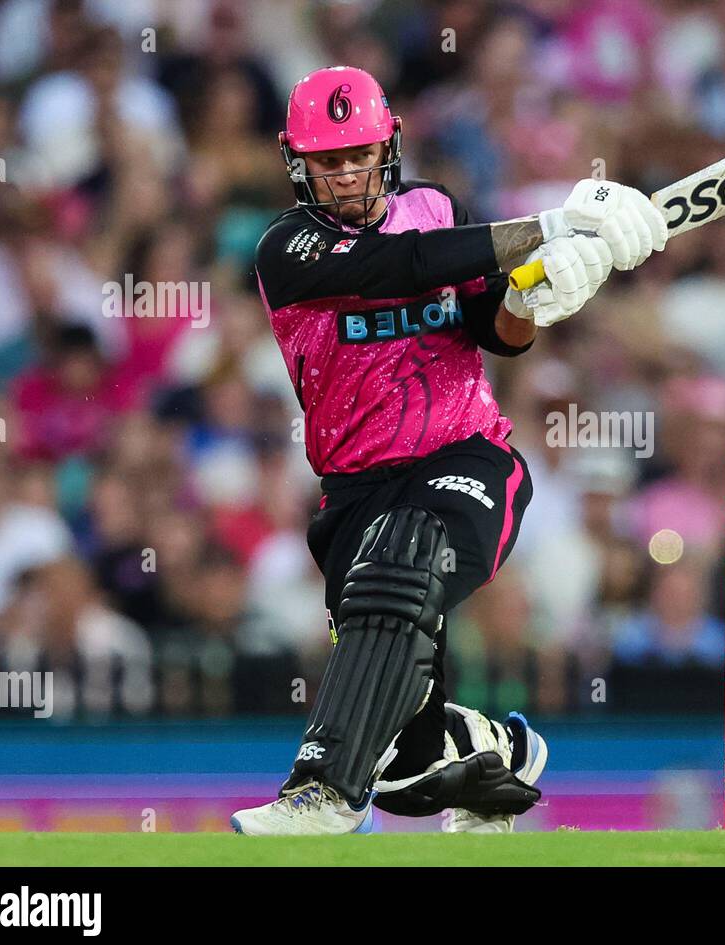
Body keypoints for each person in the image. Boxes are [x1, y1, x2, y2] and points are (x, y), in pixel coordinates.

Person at [231, 66, 666, 835]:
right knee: (403, 768)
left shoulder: (437, 208)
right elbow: (400, 267)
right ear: (296, 162)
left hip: (468, 460)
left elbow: (497, 332)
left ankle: (322, 793)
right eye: (329, 160)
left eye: (360, 153)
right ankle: (487, 748)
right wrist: (547, 227)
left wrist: (532, 295)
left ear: (389, 144)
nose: (348, 174)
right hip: (353, 494)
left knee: (405, 552)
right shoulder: (285, 250)